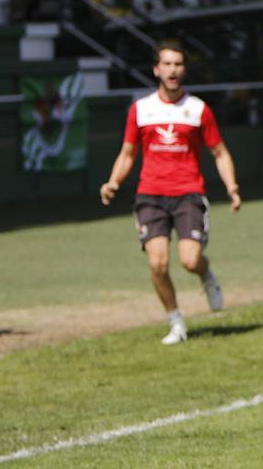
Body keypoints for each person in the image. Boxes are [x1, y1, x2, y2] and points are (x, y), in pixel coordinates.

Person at [99, 43, 242, 344]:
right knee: (157, 264)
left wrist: (232, 187)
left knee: (190, 260)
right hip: (150, 194)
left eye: (178, 64)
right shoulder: (141, 109)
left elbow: (219, 152)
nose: (172, 70)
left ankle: (206, 275)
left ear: (184, 70)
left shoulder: (198, 109)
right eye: (167, 64)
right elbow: (127, 153)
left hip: (188, 193)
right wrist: (113, 182)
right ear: (156, 69)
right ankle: (176, 322)